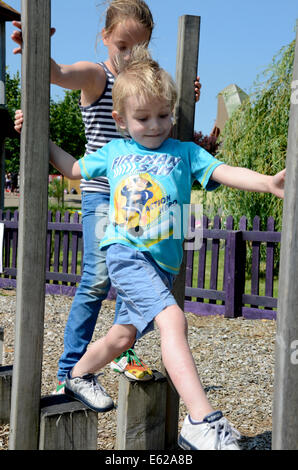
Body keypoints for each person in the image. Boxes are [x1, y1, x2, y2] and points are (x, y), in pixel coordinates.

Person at [14, 46, 285, 450]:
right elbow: (72, 170)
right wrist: (37, 135)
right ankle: (200, 420)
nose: (155, 126)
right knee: (174, 321)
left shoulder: (185, 153)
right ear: (121, 120)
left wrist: (267, 182)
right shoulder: (117, 152)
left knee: (122, 337)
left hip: (162, 265)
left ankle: (78, 373)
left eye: (163, 115)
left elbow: (223, 171)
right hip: (126, 253)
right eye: (142, 118)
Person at [12, 0, 203, 391]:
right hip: (103, 192)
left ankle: (121, 352)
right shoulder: (97, 76)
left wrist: (188, 96)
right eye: (122, 45)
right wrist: (37, 48)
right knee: (98, 278)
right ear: (105, 39)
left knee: (144, 272)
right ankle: (71, 370)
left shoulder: (148, 80)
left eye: (141, 46)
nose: (131, 55)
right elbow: (56, 73)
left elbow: (164, 113)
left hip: (145, 198)